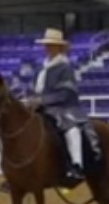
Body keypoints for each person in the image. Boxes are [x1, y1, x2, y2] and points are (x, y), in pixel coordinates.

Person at [31, 28, 88, 187]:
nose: (48, 48)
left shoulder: (65, 68)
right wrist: (30, 100)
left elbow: (66, 94)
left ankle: (77, 165)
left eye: (51, 45)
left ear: (59, 47)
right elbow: (35, 90)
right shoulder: (41, 69)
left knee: (71, 130)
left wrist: (43, 101)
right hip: (42, 108)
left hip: (64, 108)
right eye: (47, 45)